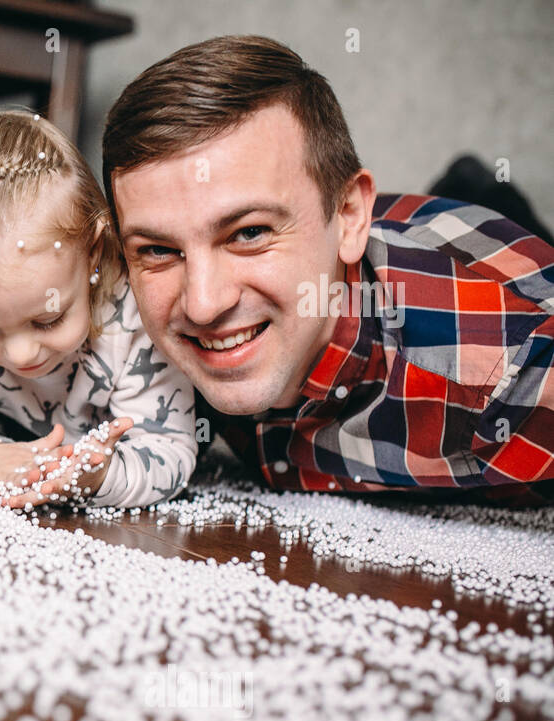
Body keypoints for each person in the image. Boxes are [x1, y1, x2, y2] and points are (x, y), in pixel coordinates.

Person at [103, 35, 554, 504]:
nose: (203, 304)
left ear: (348, 215)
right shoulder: (125, 330)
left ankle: (478, 189)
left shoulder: (510, 365)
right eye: (158, 249)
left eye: (249, 233)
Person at [0, 110, 196, 510]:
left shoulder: (136, 318)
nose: (21, 354)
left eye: (48, 319)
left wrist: (101, 475)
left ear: (93, 254)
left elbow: (170, 450)